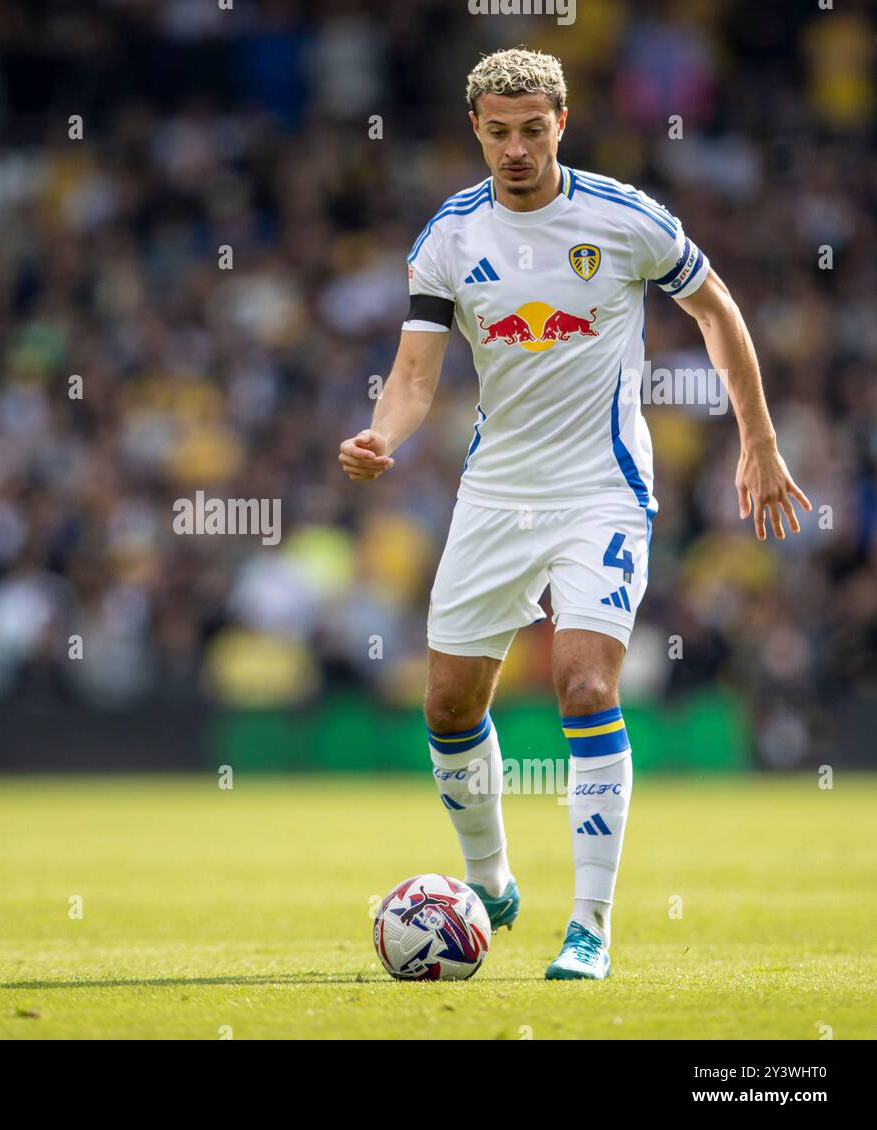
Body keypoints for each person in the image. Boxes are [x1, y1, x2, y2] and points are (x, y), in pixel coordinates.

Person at [337, 47, 811, 979]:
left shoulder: (624, 218)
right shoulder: (448, 238)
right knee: (446, 706)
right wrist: (380, 437)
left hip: (604, 492)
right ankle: (490, 882)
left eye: (532, 128)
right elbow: (415, 375)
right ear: (476, 129)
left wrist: (757, 440)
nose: (516, 147)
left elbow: (718, 312)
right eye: (498, 131)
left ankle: (590, 924)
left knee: (587, 688)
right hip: (496, 496)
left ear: (562, 120)